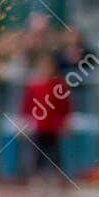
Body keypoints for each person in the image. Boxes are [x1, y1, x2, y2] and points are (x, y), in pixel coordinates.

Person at [21, 53, 70, 185]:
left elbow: (65, 106)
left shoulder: (58, 85)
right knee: (37, 153)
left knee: (54, 153)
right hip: (38, 126)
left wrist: (65, 122)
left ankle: (55, 177)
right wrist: (24, 122)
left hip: (53, 126)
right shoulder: (35, 86)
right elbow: (27, 106)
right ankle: (38, 177)